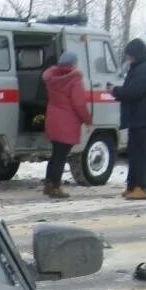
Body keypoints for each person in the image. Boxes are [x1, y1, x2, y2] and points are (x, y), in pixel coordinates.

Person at [110, 38, 146, 201]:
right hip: (138, 118)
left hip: (144, 118)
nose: (128, 58)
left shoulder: (145, 70)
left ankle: (141, 187)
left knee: (139, 153)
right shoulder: (140, 67)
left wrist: (116, 91)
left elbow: (134, 91)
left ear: (136, 54)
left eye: (129, 55)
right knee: (133, 152)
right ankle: (132, 186)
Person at [40, 50, 91, 199]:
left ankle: (49, 185)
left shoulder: (51, 78)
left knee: (55, 154)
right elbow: (79, 104)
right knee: (61, 156)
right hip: (67, 122)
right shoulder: (75, 80)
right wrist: (87, 120)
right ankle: (55, 187)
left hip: (53, 120)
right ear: (73, 64)